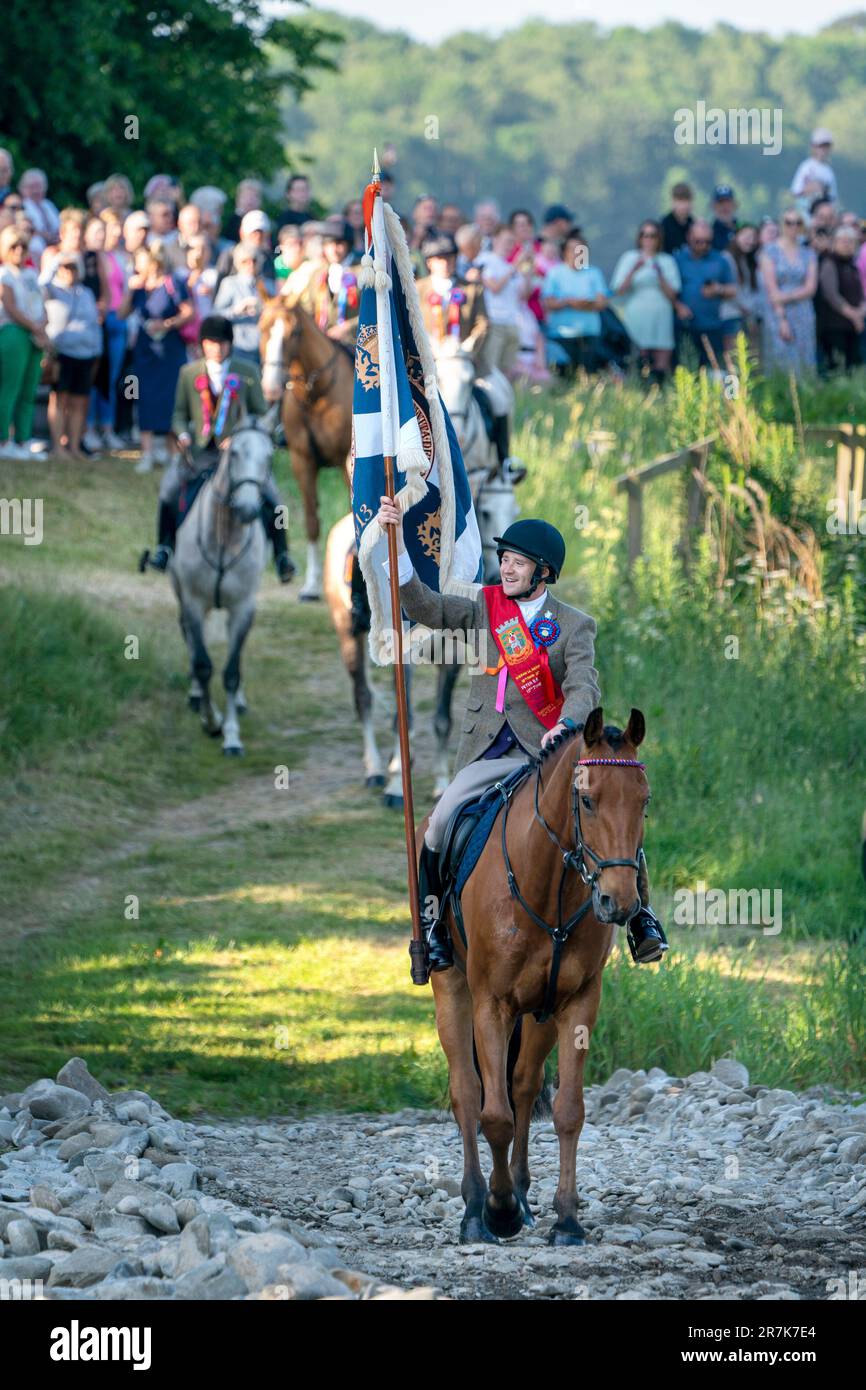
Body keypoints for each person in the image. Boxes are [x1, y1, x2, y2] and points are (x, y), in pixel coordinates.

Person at [375, 503, 669, 970]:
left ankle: (642, 920)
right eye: (505, 559)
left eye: (517, 562)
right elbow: (426, 608)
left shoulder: (574, 625)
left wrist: (566, 723)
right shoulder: (483, 606)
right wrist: (401, 557)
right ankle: (433, 926)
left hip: (545, 754)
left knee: (615, 815)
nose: (506, 568)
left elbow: (584, 685)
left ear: (543, 573)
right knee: (437, 825)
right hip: (487, 753)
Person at [144, 314, 294, 583]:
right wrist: (183, 434)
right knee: (168, 489)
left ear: (230, 344)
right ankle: (164, 547)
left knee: (274, 497)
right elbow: (178, 413)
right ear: (203, 344)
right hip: (201, 452)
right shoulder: (188, 373)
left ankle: (282, 555)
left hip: (238, 455)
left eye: (222, 343)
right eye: (211, 342)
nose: (217, 348)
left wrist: (240, 436)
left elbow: (261, 414)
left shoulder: (247, 372)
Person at [130, 240, 193, 471]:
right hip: (146, 351)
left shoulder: (172, 282)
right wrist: (131, 289)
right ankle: (146, 452)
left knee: (171, 398)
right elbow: (123, 311)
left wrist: (166, 324)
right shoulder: (139, 286)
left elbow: (188, 311)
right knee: (144, 397)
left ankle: (172, 451)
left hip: (170, 350)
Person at [43, 254, 102, 458]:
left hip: (86, 354)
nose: (69, 272)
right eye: (65, 268)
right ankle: (58, 447)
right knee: (59, 399)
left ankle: (74, 446)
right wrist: (57, 259)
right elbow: (41, 283)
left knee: (79, 401)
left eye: (73, 268)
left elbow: (94, 323)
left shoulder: (86, 293)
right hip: (63, 353)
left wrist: (97, 351)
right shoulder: (52, 291)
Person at [0, 225, 48, 458]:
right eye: (14, 246)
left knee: (29, 389)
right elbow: (10, 306)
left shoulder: (31, 275)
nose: (19, 250)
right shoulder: (4, 274)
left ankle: (23, 440)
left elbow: (40, 303)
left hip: (33, 335)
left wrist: (42, 326)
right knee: (9, 388)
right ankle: (3, 441)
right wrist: (34, 326)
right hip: (13, 333)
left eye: (23, 246)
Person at [610, 220, 681, 379]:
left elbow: (673, 293)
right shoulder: (630, 258)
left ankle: (659, 388)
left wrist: (660, 276)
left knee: (661, 355)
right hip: (637, 313)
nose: (648, 239)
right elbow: (618, 290)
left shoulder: (666, 260)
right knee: (637, 355)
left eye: (652, 236)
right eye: (644, 235)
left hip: (661, 314)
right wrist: (634, 270)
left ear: (659, 239)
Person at [84, 213, 131, 451]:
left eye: (103, 232)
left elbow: (124, 290)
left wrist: (121, 314)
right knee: (94, 378)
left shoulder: (116, 257)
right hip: (94, 323)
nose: (101, 236)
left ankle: (108, 428)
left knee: (111, 379)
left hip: (116, 321)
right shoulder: (86, 260)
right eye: (96, 232)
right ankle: (89, 428)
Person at [542, 228, 612, 374]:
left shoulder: (594, 273)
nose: (576, 253)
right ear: (565, 252)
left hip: (589, 333)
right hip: (561, 334)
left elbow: (602, 302)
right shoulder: (555, 273)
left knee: (588, 374)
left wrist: (584, 305)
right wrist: (568, 302)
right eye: (572, 249)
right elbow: (548, 302)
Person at [758, 208, 817, 376]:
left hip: (803, 312)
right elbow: (771, 289)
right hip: (777, 313)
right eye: (789, 222)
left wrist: (786, 296)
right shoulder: (769, 252)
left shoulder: (808, 253)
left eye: (798, 222)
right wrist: (781, 318)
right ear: (782, 225)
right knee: (781, 359)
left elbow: (810, 288)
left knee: (804, 361)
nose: (793, 226)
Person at [672, 220, 737, 367]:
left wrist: (718, 289)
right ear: (689, 237)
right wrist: (678, 306)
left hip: (713, 326)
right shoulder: (677, 259)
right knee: (686, 368)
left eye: (707, 242)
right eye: (698, 241)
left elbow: (733, 289)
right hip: (685, 326)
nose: (703, 246)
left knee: (714, 369)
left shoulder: (720, 260)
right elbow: (668, 290)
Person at [475, 223, 526, 376]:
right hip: (494, 322)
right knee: (490, 369)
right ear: (495, 239)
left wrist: (528, 268)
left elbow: (523, 295)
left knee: (507, 372)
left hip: (512, 323)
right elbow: (494, 287)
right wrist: (515, 266)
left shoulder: (510, 266)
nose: (509, 246)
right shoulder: (485, 259)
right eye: (506, 241)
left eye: (512, 242)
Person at [814, 226, 865, 372]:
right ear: (834, 243)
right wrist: (854, 315)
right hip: (834, 326)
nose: (846, 244)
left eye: (850, 241)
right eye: (842, 241)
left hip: (853, 327)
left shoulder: (854, 265)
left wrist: (862, 311)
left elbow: (861, 292)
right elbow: (831, 295)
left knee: (853, 368)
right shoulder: (829, 263)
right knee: (837, 368)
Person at [213, 241, 268, 364]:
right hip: (239, 347)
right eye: (245, 261)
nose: (250, 265)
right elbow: (216, 315)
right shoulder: (230, 283)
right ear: (237, 263)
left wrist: (263, 309)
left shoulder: (266, 285)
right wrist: (237, 310)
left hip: (263, 347)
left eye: (254, 260)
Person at [791, 129, 838, 212]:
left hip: (823, 214)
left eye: (826, 146)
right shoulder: (806, 167)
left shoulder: (829, 172)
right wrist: (812, 188)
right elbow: (796, 191)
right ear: (813, 147)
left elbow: (832, 197)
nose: (823, 149)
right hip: (805, 211)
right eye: (821, 146)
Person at [19, 169, 60, 259]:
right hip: (37, 246)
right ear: (23, 189)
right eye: (32, 187)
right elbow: (29, 229)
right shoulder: (21, 205)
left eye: (39, 186)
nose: (36, 191)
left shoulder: (48, 204)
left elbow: (59, 225)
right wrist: (49, 237)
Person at [224, 179, 264, 244]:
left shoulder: (264, 222)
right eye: (246, 196)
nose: (250, 201)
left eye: (254, 196)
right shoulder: (232, 221)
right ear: (238, 199)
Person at [660, 182, 694, 254]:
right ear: (673, 202)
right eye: (680, 200)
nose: (683, 205)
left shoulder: (693, 224)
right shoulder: (665, 225)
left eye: (686, 200)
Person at [710, 185, 738, 251]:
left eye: (728, 202)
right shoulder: (710, 233)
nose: (725, 207)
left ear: (735, 205)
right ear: (713, 206)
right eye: (721, 203)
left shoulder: (741, 229)